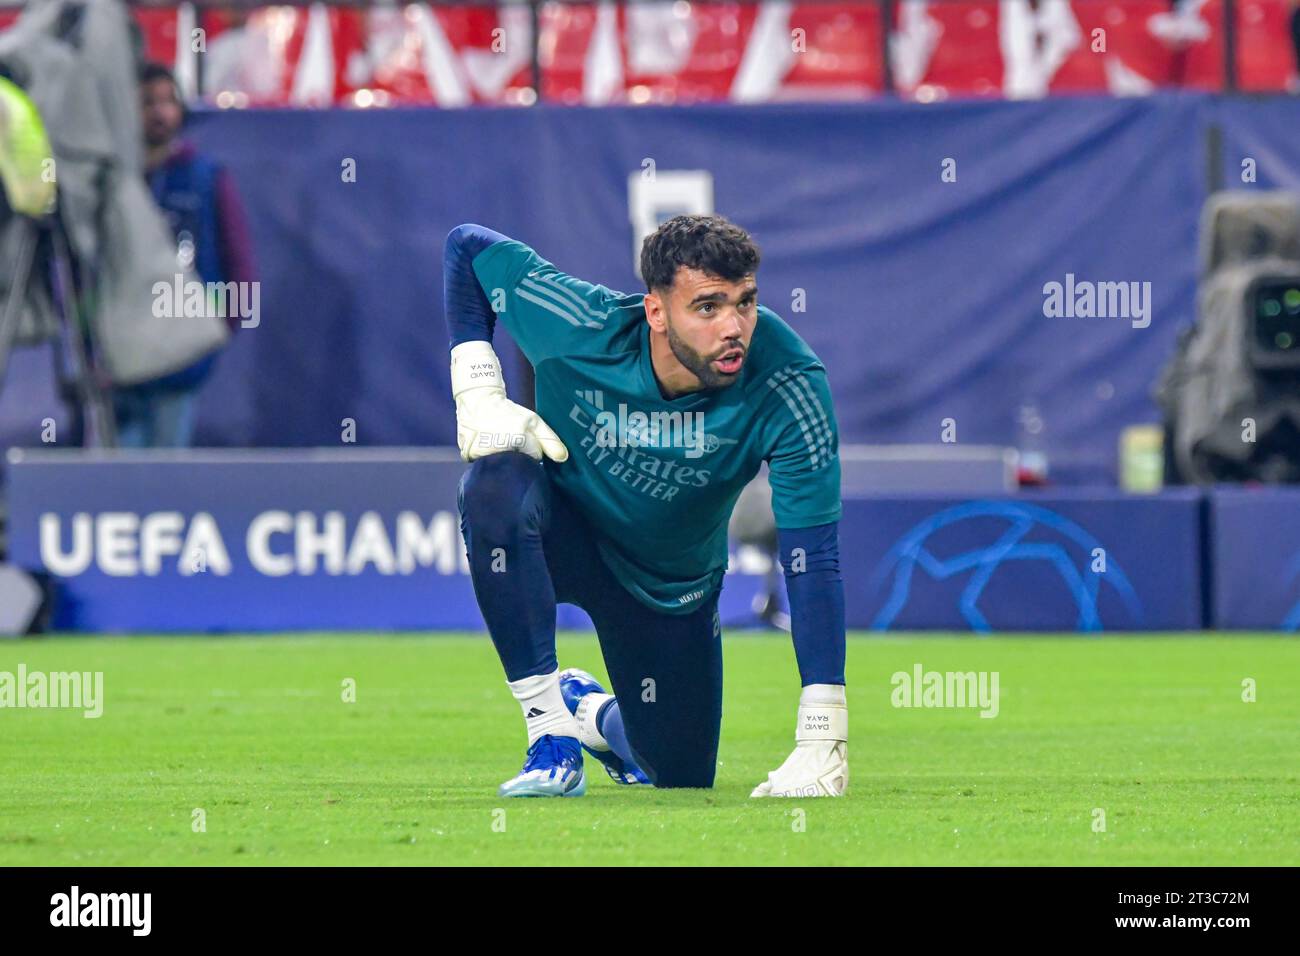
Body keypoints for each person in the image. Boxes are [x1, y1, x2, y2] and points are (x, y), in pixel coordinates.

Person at [445, 215, 847, 797]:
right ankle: (549, 731)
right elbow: (467, 247)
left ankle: (587, 713)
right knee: (494, 481)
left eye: (746, 303)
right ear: (656, 312)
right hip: (564, 538)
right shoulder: (578, 324)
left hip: (668, 585)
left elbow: (815, 558)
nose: (734, 327)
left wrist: (821, 737)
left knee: (680, 776)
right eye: (707, 307)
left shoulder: (788, 380)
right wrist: (477, 388)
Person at [115, 62, 253, 448]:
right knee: (118, 482)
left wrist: (220, 327)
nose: (160, 112)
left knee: (167, 475)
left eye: (168, 101)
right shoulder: (113, 181)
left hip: (182, 358)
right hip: (118, 359)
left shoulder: (207, 176)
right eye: (147, 102)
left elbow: (239, 264)